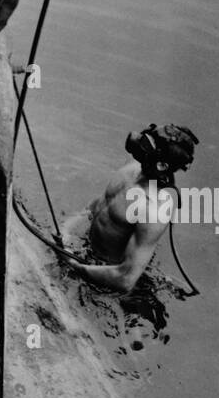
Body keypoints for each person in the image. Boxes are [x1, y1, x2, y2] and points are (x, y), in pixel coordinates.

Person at [58, 124, 199, 293]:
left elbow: (125, 279)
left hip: (104, 276)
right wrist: (65, 231)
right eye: (146, 137)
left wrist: (77, 267)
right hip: (83, 250)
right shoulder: (132, 167)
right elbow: (94, 206)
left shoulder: (153, 210)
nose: (138, 142)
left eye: (147, 144)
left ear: (161, 165)